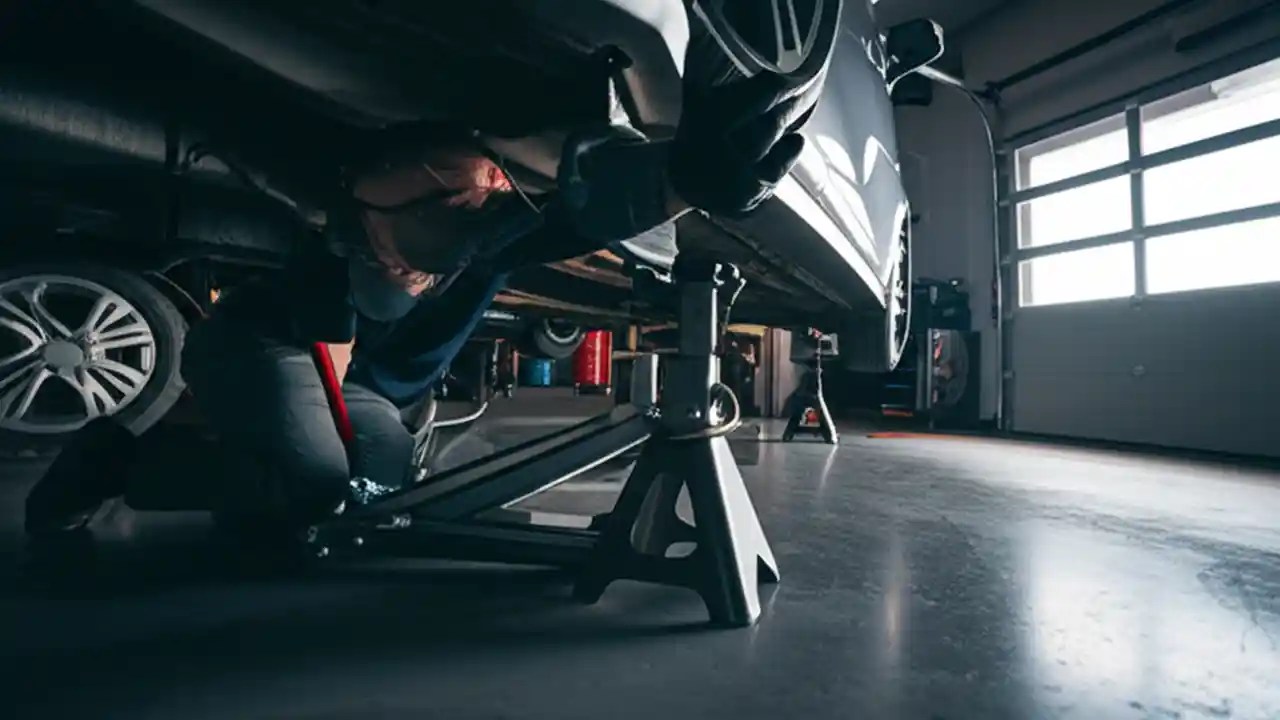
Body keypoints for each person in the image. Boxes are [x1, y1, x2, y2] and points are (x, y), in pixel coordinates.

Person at [24, 67, 823, 558]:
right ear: (363, 211)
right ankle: (119, 462)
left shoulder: (489, 239)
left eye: (463, 202)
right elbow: (326, 376)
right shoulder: (328, 255)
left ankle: (247, 478)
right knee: (325, 499)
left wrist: (690, 178)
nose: (411, 259)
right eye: (405, 226)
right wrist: (329, 486)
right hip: (265, 350)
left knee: (387, 496)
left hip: (368, 389)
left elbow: (586, 214)